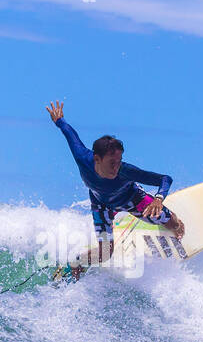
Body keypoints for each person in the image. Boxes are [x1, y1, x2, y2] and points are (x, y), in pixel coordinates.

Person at [45, 100, 184, 279]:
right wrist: (60, 121)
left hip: (133, 199)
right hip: (101, 206)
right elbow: (70, 135)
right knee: (104, 254)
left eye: (119, 162)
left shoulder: (126, 172)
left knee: (174, 223)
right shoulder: (82, 158)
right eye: (112, 163)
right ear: (97, 159)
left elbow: (165, 179)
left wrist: (158, 199)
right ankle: (75, 263)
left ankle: (180, 238)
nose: (116, 167)